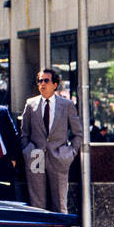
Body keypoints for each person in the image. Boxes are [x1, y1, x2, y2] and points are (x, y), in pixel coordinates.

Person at [19, 68, 83, 212]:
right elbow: (24, 133)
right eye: (40, 81)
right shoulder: (30, 104)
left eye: (46, 80)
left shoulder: (67, 105)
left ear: (55, 84)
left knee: (60, 204)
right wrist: (28, 151)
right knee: (37, 204)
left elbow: (77, 133)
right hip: (35, 156)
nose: (42, 84)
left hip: (59, 157)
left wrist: (70, 152)